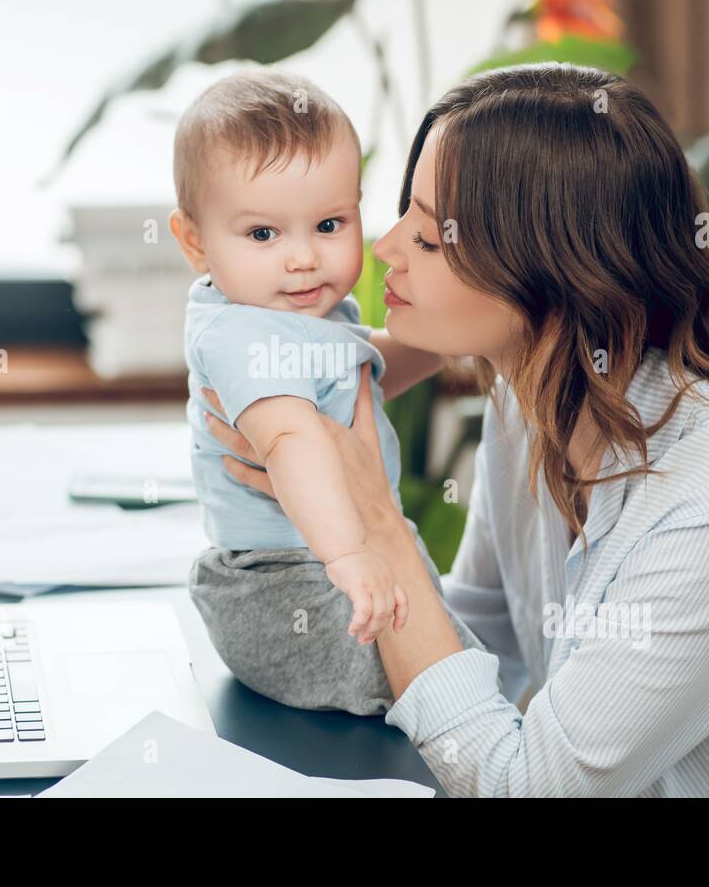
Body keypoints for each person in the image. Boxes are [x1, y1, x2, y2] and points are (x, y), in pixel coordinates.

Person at [206, 64, 709, 796]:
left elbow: (528, 788)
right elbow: (481, 637)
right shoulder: (528, 403)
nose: (383, 248)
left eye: (430, 239)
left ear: (552, 278)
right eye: (405, 213)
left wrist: (376, 529)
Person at [169, 70, 483, 717]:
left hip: (341, 561)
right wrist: (349, 552)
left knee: (456, 668)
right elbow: (292, 437)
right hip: (286, 584)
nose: (304, 258)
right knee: (438, 684)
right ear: (194, 241)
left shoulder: (303, 314)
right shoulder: (242, 331)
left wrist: (445, 340)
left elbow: (359, 376)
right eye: (263, 234)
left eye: (330, 224)